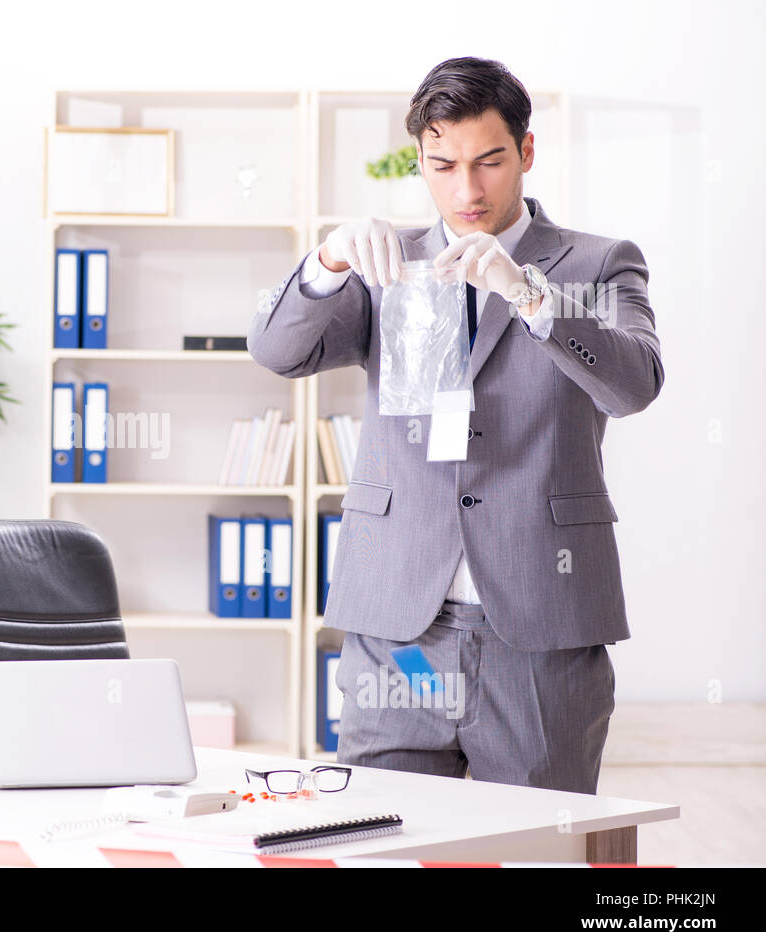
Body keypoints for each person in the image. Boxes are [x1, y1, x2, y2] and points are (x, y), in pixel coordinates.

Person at [247, 56, 664, 794]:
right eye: (443, 165)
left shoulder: (599, 263)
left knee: (545, 844)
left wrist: (531, 296)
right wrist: (328, 259)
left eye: (490, 162)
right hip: (399, 633)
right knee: (380, 834)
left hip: (540, 627)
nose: (467, 190)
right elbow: (278, 350)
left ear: (526, 153)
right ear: (420, 160)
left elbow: (633, 384)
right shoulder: (384, 264)